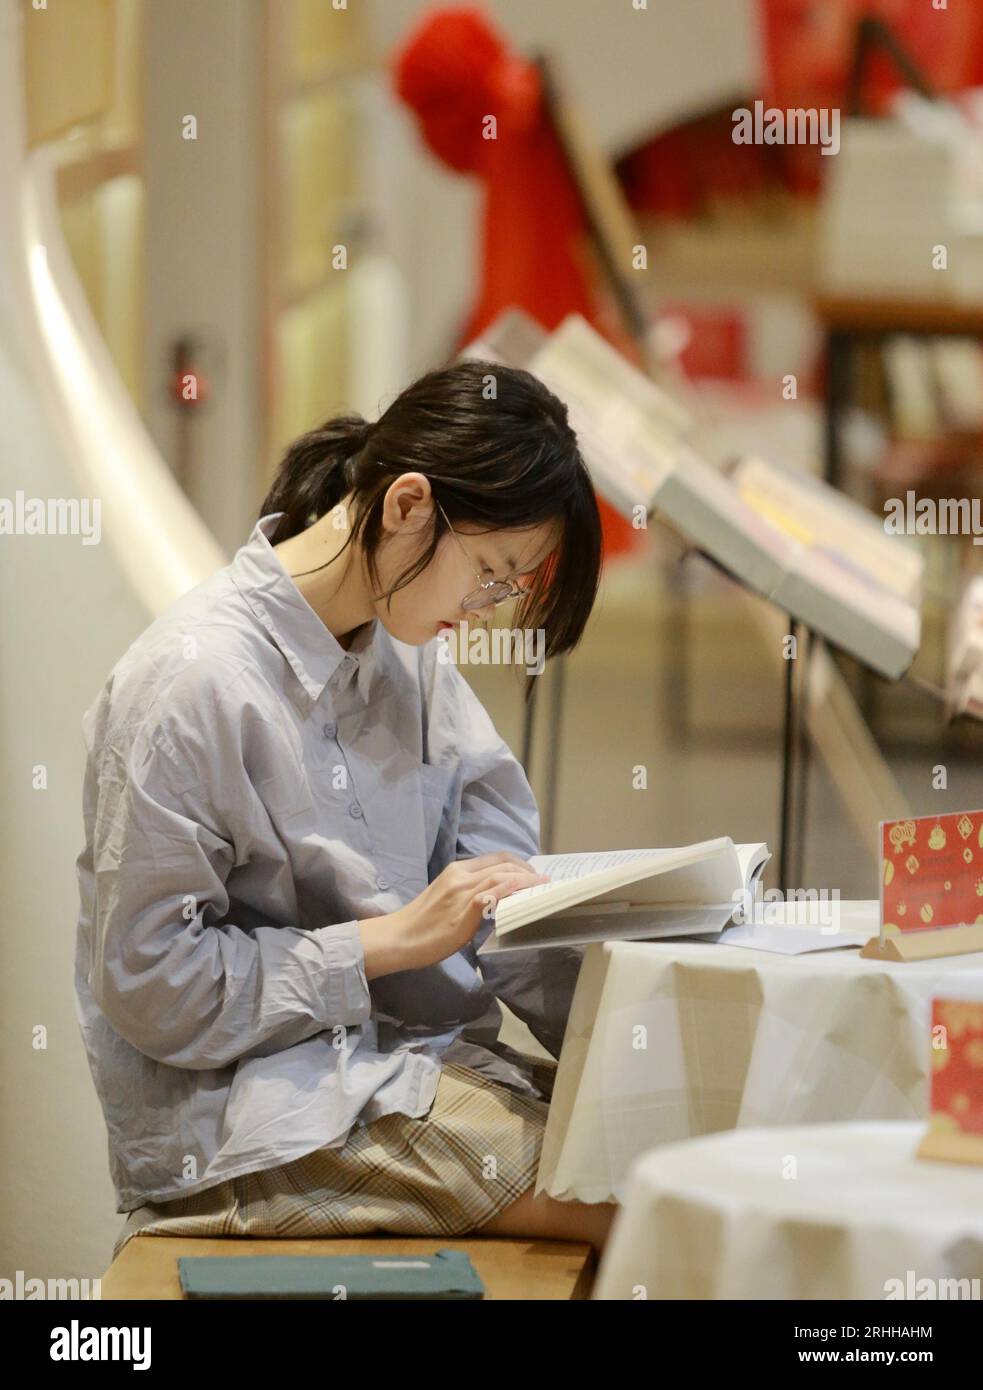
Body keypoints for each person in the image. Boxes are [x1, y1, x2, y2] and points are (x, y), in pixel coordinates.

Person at [74, 357, 618, 1263]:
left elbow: (502, 907)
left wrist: (641, 1011)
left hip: (408, 1074)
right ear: (408, 505)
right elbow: (147, 983)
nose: (485, 611)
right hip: (254, 1118)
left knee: (674, 1145)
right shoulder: (194, 682)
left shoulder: (409, 659)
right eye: (489, 573)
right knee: (625, 1197)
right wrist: (385, 943)